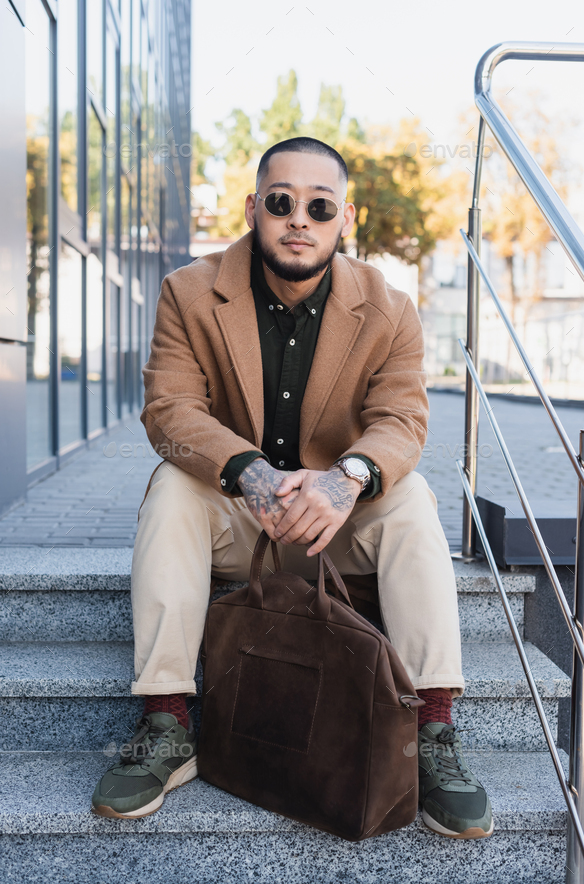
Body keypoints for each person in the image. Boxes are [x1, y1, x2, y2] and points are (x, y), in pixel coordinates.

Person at [92, 136, 493, 839]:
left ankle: (428, 732)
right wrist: (249, 472)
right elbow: (171, 411)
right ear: (254, 209)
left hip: (337, 525)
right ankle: (166, 722)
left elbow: (402, 419)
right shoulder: (189, 292)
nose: (298, 219)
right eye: (281, 203)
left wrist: (347, 478)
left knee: (411, 499)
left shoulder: (391, 307)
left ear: (346, 218)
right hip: (239, 519)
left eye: (319, 206)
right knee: (172, 486)